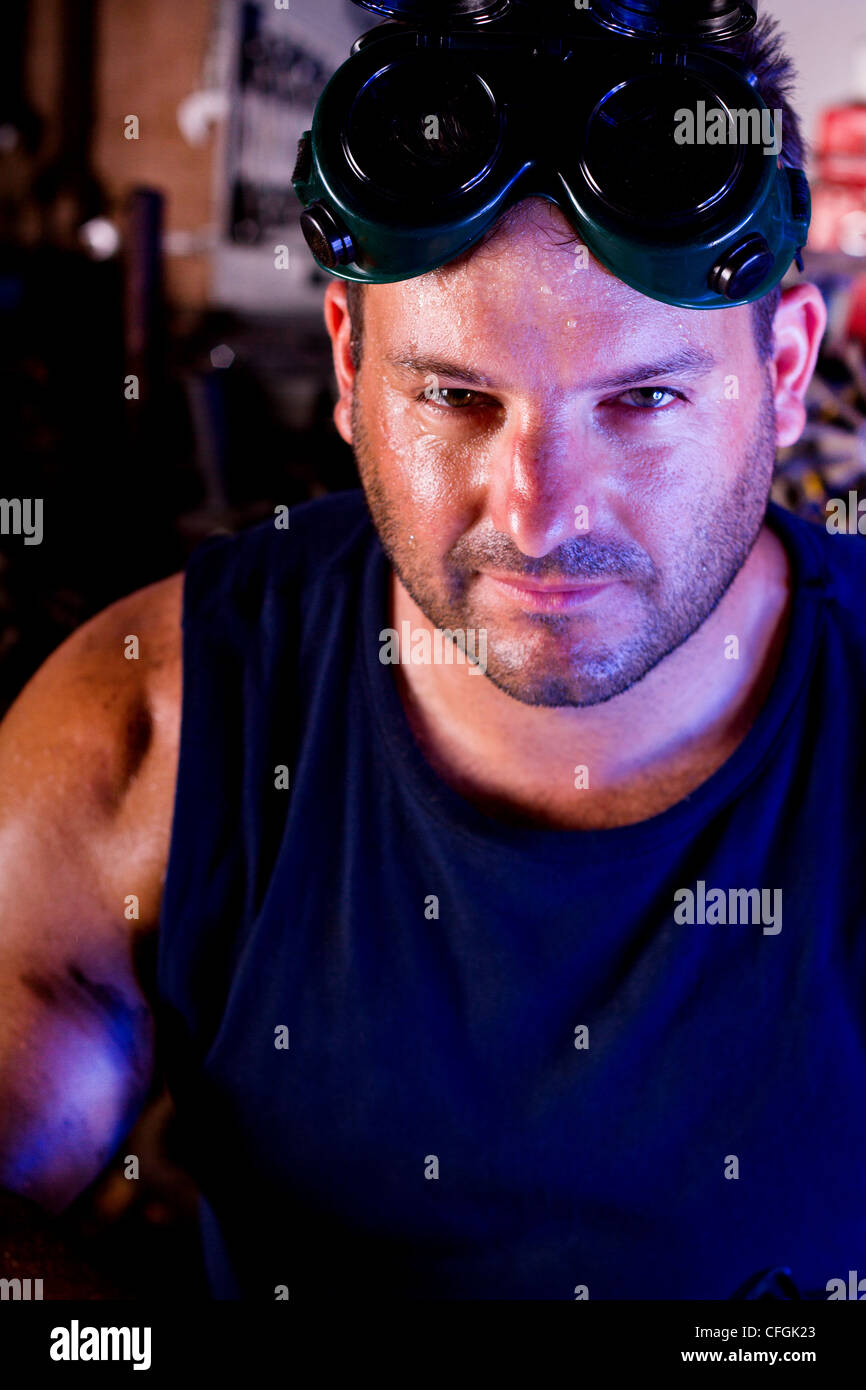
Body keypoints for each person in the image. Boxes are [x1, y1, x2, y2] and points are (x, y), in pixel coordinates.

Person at [0, 4, 860, 1300]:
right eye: (455, 396)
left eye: (642, 399)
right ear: (349, 360)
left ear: (784, 372)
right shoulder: (155, 731)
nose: (537, 512)